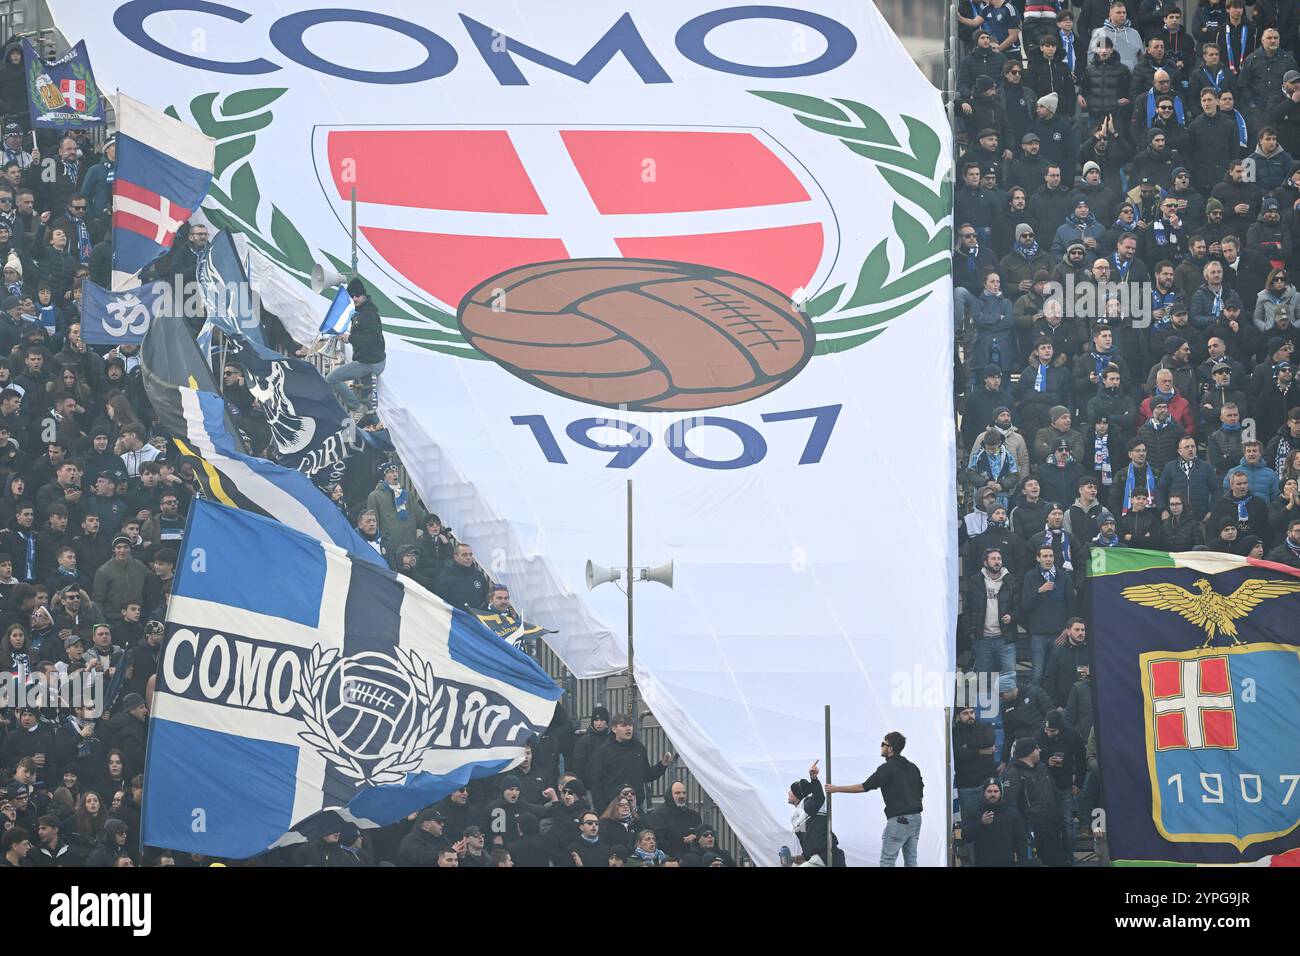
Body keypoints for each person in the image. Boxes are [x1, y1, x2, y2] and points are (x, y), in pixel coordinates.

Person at [825, 731, 925, 868]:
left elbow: (864, 787)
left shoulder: (887, 768)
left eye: (883, 744)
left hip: (899, 820)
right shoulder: (913, 768)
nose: (881, 746)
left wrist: (836, 789)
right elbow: (920, 790)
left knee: (887, 861)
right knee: (911, 861)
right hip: (916, 818)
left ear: (890, 749)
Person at [587, 713, 672, 812]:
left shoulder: (639, 748)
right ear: (614, 729)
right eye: (623, 726)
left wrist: (662, 765)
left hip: (636, 806)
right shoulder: (603, 752)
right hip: (613, 807)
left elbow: (646, 775)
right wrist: (601, 810)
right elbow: (596, 782)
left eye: (630, 725)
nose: (628, 729)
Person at [324, 278, 386, 413]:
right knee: (362, 391)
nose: (355, 299)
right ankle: (365, 406)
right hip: (373, 360)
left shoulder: (367, 315)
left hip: (369, 363)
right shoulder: (364, 312)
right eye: (352, 296)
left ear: (363, 295)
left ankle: (357, 408)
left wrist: (350, 338)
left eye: (357, 296)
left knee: (332, 378)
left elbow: (373, 340)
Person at [1001, 737, 1065, 865]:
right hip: (1033, 830)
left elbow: (1054, 792)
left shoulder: (1042, 768)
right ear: (1029, 751)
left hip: (1052, 825)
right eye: (1037, 748)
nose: (1040, 750)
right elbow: (1010, 805)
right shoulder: (1014, 773)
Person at [1021, 544, 1074, 680]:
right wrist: (1039, 591)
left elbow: (1072, 605)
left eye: (1051, 556)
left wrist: (1067, 629)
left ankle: (1056, 702)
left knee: (1058, 673)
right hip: (1038, 634)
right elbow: (1025, 605)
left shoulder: (1063, 577)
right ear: (1038, 558)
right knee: (1037, 673)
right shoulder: (1030, 577)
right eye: (1045, 556)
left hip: (1059, 634)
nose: (1048, 559)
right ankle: (1035, 701)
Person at [787, 760, 844, 866]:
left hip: (826, 857)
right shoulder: (798, 813)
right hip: (818, 858)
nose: (788, 792)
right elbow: (806, 839)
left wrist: (814, 778)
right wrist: (803, 856)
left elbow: (819, 797)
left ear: (798, 794)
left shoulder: (808, 803)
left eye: (791, 790)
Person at [964, 777, 1028, 867]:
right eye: (989, 791)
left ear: (1001, 793)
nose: (993, 794)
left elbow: (1021, 841)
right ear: (983, 793)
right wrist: (981, 823)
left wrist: (1023, 864)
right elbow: (966, 836)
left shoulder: (1012, 814)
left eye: (996, 791)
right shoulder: (976, 812)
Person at [953, 706, 997, 821]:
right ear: (958, 716)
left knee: (993, 819)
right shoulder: (954, 733)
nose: (970, 715)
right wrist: (980, 751)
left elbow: (988, 740)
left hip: (988, 784)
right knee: (971, 820)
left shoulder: (985, 726)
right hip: (967, 786)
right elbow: (958, 754)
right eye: (965, 713)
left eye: (972, 712)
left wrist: (967, 746)